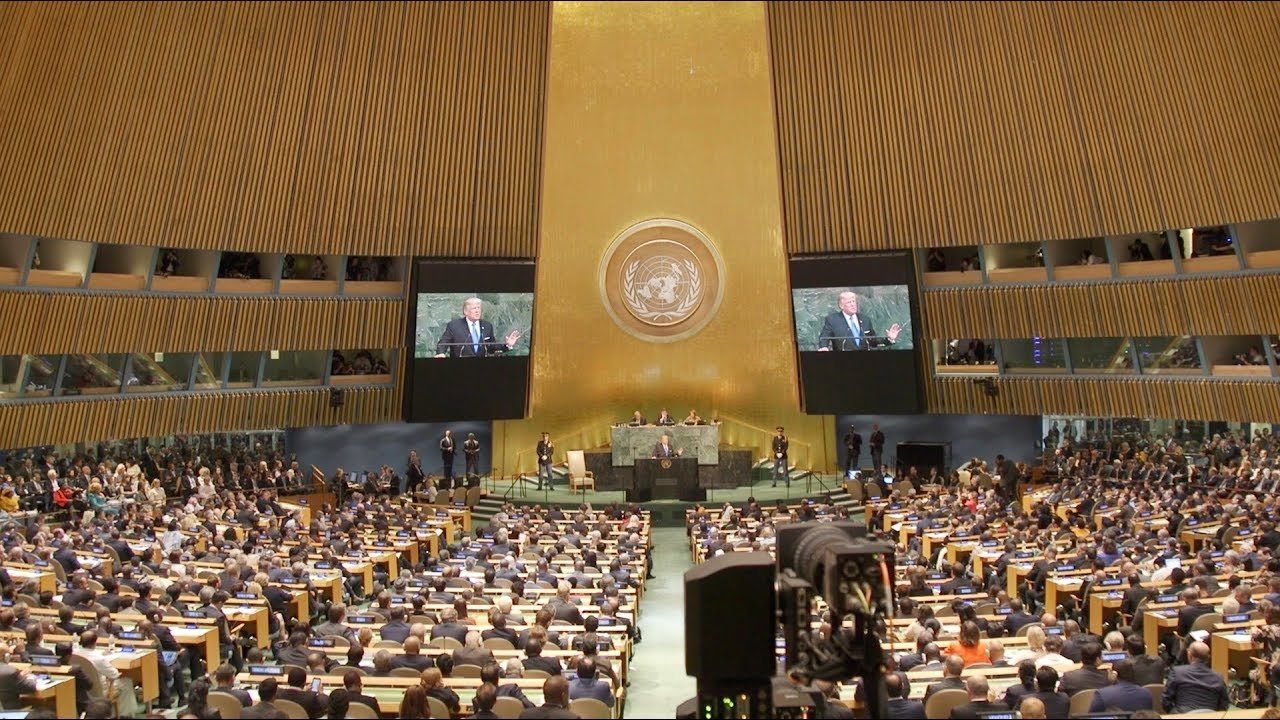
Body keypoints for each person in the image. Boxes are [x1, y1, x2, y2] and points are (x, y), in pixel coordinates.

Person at [433, 297, 522, 358]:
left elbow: (491, 347)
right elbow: (443, 343)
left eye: (478, 308)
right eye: (474, 308)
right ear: (465, 311)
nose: (477, 311)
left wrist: (507, 345)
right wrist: (441, 353)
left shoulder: (487, 326)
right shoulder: (454, 325)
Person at [817, 290, 901, 351]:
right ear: (841, 305)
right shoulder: (832, 320)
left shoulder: (865, 319)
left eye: (854, 301)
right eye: (849, 302)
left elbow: (873, 341)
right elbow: (824, 337)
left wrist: (889, 339)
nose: (853, 304)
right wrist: (824, 347)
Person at [1163, 641, 1228, 713]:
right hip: (1209, 716)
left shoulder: (1178, 672)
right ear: (1208, 657)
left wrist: (1175, 714)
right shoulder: (1218, 677)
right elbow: (1223, 705)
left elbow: (1166, 699)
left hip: (1182, 715)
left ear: (1189, 655)